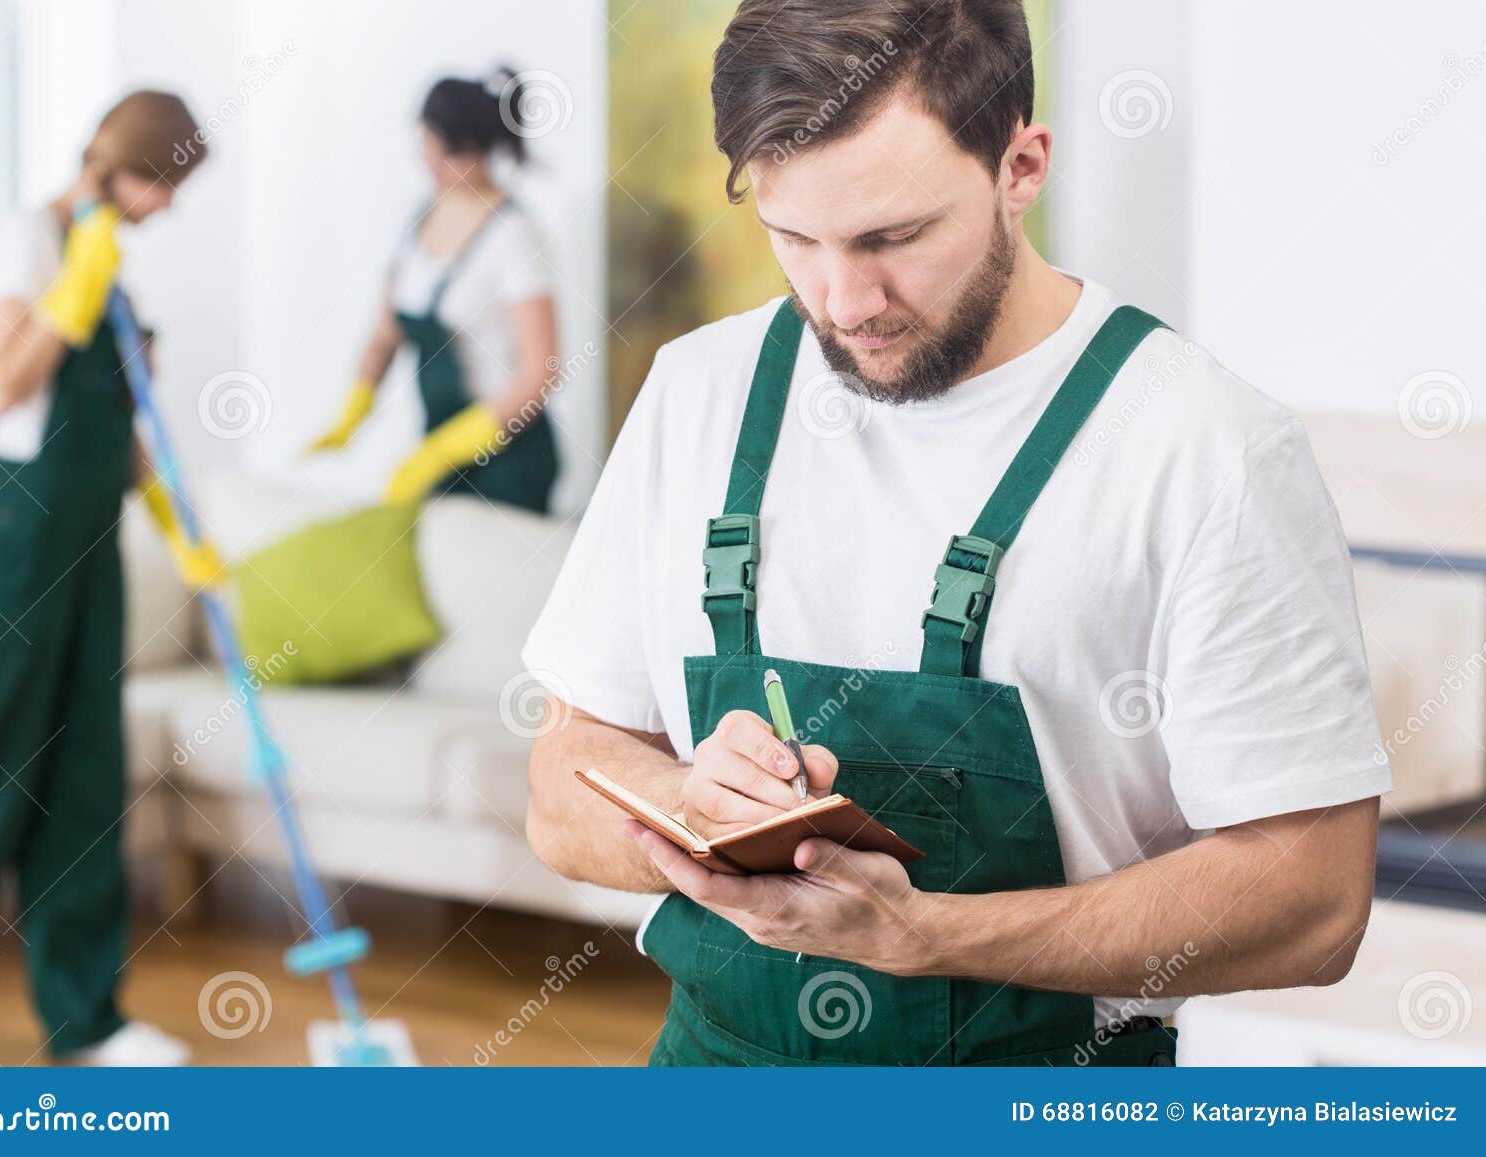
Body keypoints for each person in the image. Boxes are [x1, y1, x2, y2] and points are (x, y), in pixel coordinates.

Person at [523, 0, 1390, 1066]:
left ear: (1019, 167)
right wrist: (684, 804)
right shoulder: (697, 391)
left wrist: (924, 934)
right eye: (794, 238)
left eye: (894, 236)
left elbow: (1313, 900)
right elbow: (558, 782)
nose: (844, 300)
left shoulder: (1204, 447)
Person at [0, 91, 221, 1067]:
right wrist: (68, 297)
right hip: (14, 542)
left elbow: (129, 432)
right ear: (120, 166)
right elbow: (0, 385)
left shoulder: (112, 265)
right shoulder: (27, 236)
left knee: (85, 774)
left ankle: (88, 1021)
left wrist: (178, 523)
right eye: (163, 182)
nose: (166, 206)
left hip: (90, 540)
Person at [307, 70, 562, 515]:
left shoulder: (515, 236)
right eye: (429, 146)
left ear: (483, 151)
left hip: (508, 462)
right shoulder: (418, 218)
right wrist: (355, 407)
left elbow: (542, 371)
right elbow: (387, 332)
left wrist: (447, 449)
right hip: (440, 450)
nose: (435, 164)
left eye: (451, 155)